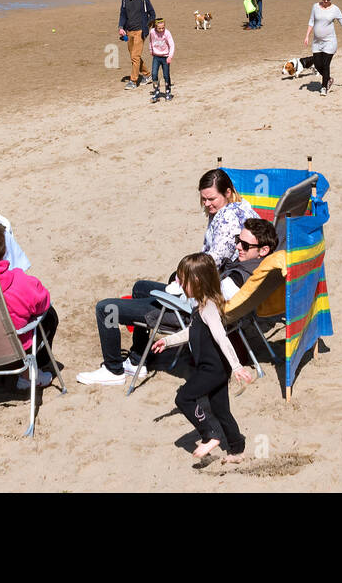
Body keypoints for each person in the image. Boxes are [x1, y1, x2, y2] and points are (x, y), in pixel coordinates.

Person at [79, 169, 254, 385]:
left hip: (194, 303)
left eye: (211, 199)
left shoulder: (228, 224)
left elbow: (209, 267)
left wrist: (180, 282)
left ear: (227, 192)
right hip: (211, 292)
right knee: (140, 287)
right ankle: (136, 361)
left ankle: (113, 370)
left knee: (106, 309)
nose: (207, 204)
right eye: (204, 199)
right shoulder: (242, 210)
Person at [152, 253, 257, 463]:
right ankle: (237, 450)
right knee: (221, 410)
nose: (179, 284)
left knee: (183, 398)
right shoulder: (200, 306)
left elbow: (221, 338)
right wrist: (168, 341)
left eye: (183, 280)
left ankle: (210, 435)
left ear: (197, 281)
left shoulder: (209, 307)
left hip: (213, 368)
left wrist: (236, 366)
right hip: (214, 368)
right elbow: (192, 331)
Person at [0, 224, 58, 388]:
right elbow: (44, 302)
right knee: (50, 315)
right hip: (13, 354)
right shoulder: (19, 281)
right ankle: (29, 374)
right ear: (5, 250)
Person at [117, 0, 158, 89]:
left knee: (135, 56)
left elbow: (152, 14)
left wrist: (146, 25)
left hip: (140, 31)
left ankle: (133, 81)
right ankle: (147, 75)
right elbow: (122, 15)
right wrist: (121, 28)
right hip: (129, 31)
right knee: (134, 56)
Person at [147, 17, 175, 101]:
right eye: (159, 28)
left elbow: (172, 45)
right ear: (155, 26)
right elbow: (150, 42)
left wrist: (170, 56)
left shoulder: (167, 33)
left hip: (165, 57)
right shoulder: (152, 32)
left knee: (166, 75)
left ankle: (168, 92)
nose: (161, 29)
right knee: (154, 74)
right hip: (156, 56)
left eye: (163, 27)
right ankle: (156, 91)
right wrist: (151, 50)